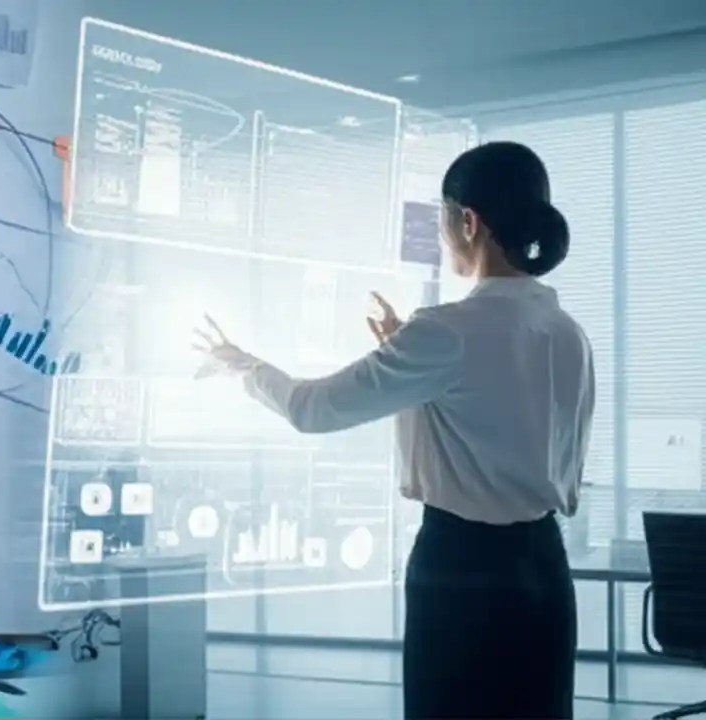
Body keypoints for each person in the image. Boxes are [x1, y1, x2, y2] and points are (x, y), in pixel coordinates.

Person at [194, 141, 593, 719]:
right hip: (545, 573)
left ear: (468, 222)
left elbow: (313, 409)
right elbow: (488, 406)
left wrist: (241, 364)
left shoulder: (446, 332)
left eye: (441, 220)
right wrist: (403, 346)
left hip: (461, 570)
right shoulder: (567, 331)